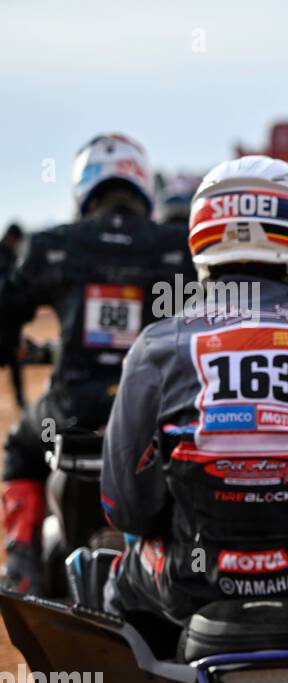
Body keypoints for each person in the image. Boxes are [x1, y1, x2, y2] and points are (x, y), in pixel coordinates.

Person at [100, 156, 288, 632]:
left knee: (100, 573)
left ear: (203, 236)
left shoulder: (156, 345)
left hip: (192, 586)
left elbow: (125, 507)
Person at [0, 134, 193, 593]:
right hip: (160, 411)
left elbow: (6, 310)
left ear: (83, 186)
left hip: (72, 408)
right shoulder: (177, 245)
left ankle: (21, 560)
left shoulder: (55, 244)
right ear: (142, 180)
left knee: (21, 448)